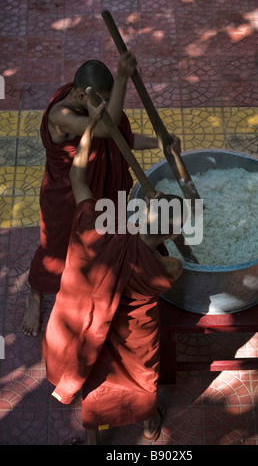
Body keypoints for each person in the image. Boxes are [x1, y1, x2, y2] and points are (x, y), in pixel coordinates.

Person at [41, 99, 186, 445]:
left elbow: (78, 175)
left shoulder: (96, 227)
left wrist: (90, 126)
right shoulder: (171, 266)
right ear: (172, 234)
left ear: (145, 212)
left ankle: (93, 441)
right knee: (140, 380)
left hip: (89, 328)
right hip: (136, 338)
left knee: (96, 379)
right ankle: (150, 427)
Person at [21, 53, 161, 337]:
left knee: (103, 242)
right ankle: (35, 295)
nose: (109, 106)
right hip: (65, 196)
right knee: (56, 250)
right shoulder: (61, 116)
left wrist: (162, 143)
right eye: (103, 100)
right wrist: (122, 78)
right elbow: (105, 131)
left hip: (98, 189)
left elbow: (120, 139)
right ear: (81, 95)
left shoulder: (85, 102)